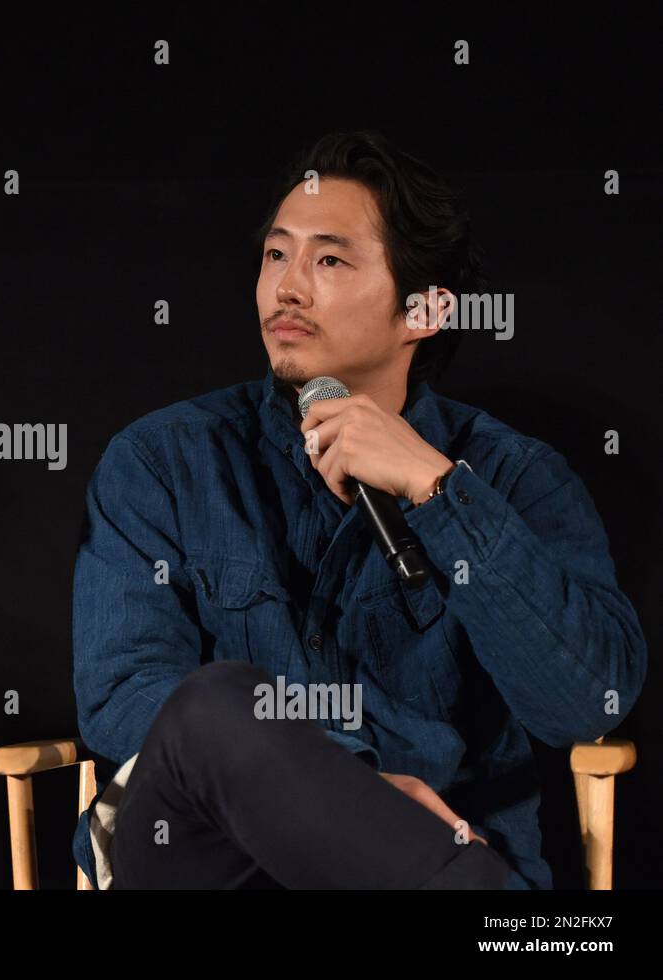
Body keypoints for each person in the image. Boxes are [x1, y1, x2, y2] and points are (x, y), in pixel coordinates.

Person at [70, 131, 647, 889]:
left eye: (329, 259)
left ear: (426, 309)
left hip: (448, 841)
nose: (288, 288)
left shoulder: (514, 477)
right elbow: (123, 699)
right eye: (278, 255)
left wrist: (438, 491)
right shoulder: (164, 461)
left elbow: (586, 703)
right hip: (224, 865)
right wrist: (344, 790)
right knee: (212, 705)